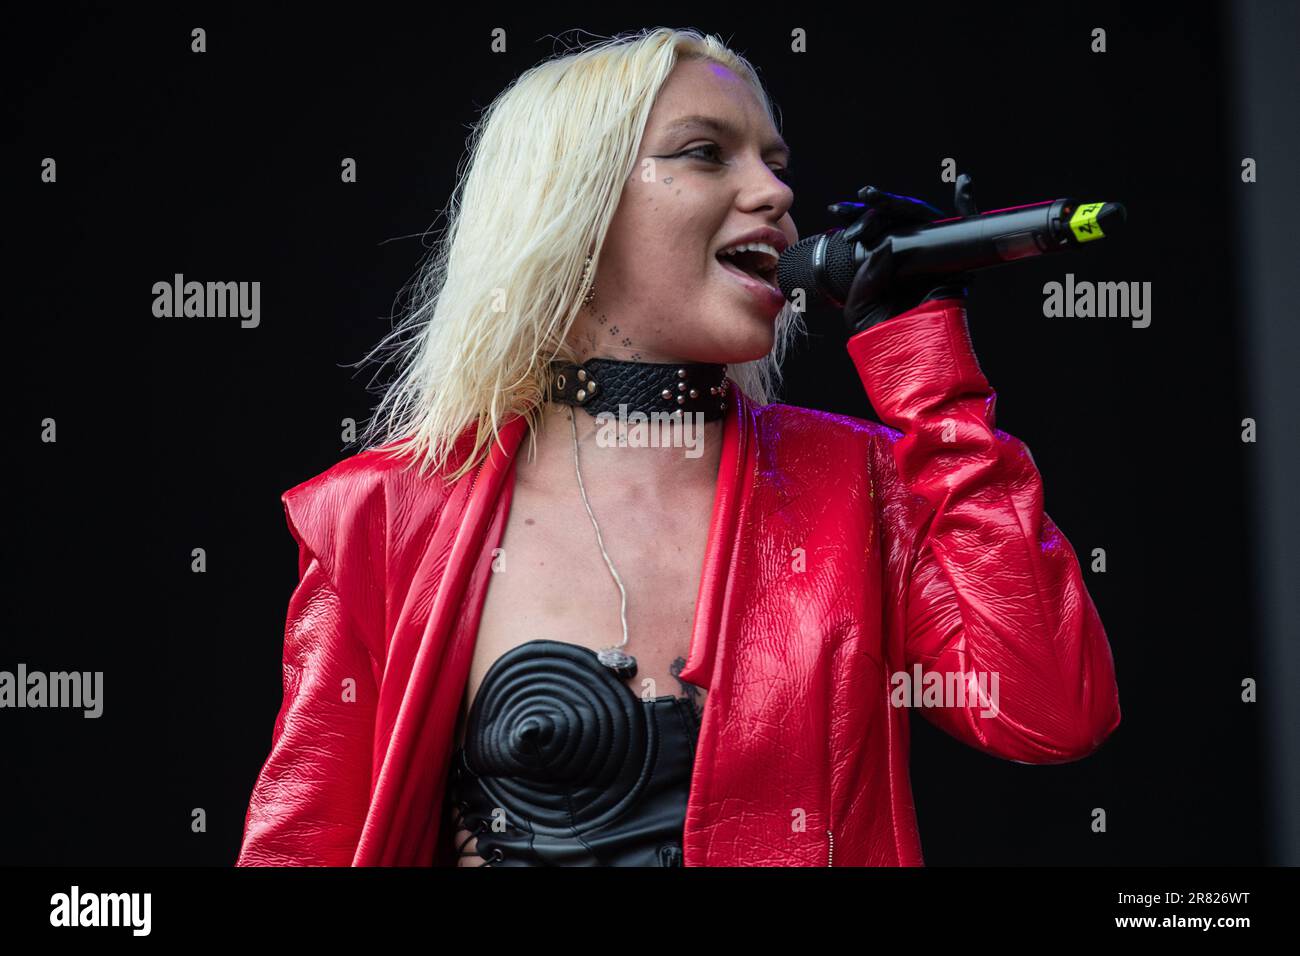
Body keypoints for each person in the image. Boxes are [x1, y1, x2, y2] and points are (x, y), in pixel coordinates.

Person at [235, 27, 1120, 868]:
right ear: (571, 204)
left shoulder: (863, 481)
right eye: (706, 153)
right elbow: (303, 842)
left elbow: (1050, 711)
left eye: (777, 164)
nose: (775, 194)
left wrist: (929, 372)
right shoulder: (383, 515)